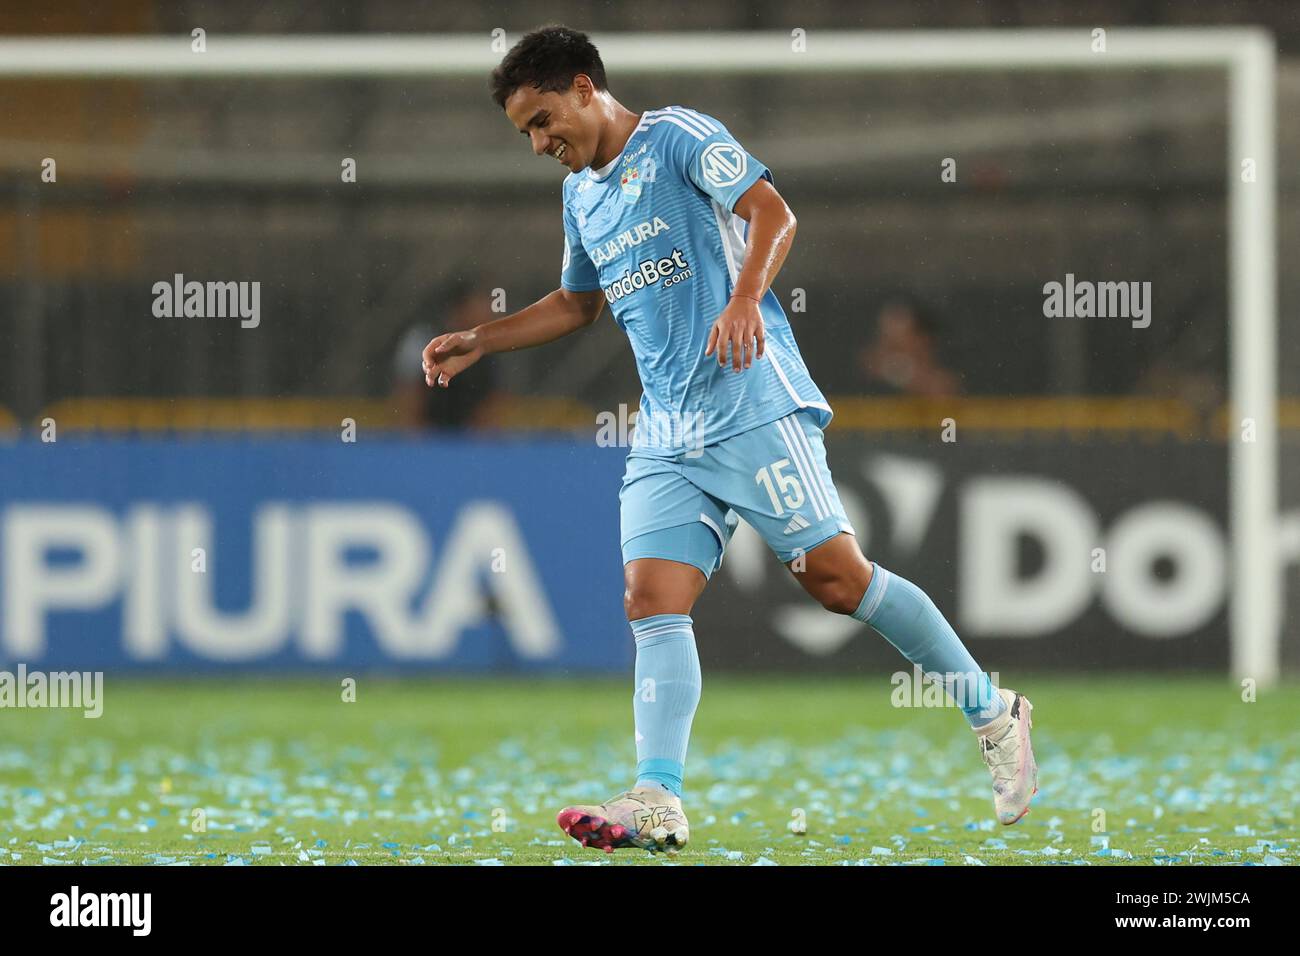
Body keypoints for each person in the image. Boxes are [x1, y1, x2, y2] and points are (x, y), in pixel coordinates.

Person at [422, 25, 1036, 853]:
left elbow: (771, 212)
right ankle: (657, 797)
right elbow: (577, 303)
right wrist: (481, 340)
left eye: (541, 120)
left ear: (582, 86)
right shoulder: (580, 195)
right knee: (650, 600)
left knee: (837, 581)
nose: (539, 144)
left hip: (752, 403)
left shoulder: (679, 138)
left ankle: (993, 715)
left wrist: (746, 297)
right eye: (526, 133)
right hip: (667, 428)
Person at [392, 281, 503, 430]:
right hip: (429, 436)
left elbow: (490, 407)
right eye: (479, 304)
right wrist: (416, 439)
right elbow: (408, 397)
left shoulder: (486, 348)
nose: (487, 311)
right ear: (460, 308)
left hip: (467, 441)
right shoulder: (424, 340)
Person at [859, 294, 961, 397]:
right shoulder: (869, 378)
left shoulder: (942, 384)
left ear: (922, 340)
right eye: (885, 337)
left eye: (897, 344)